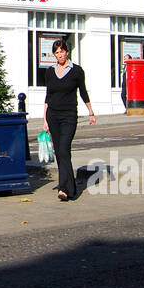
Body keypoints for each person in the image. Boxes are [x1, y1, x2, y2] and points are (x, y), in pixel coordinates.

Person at [43, 37, 96, 202]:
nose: (60, 55)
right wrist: (45, 120)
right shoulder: (50, 71)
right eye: (57, 52)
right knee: (60, 152)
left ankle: (66, 188)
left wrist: (91, 112)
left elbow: (83, 92)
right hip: (53, 115)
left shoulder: (77, 71)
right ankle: (67, 187)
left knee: (64, 149)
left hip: (69, 116)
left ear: (67, 52)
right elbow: (48, 95)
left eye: (62, 51)